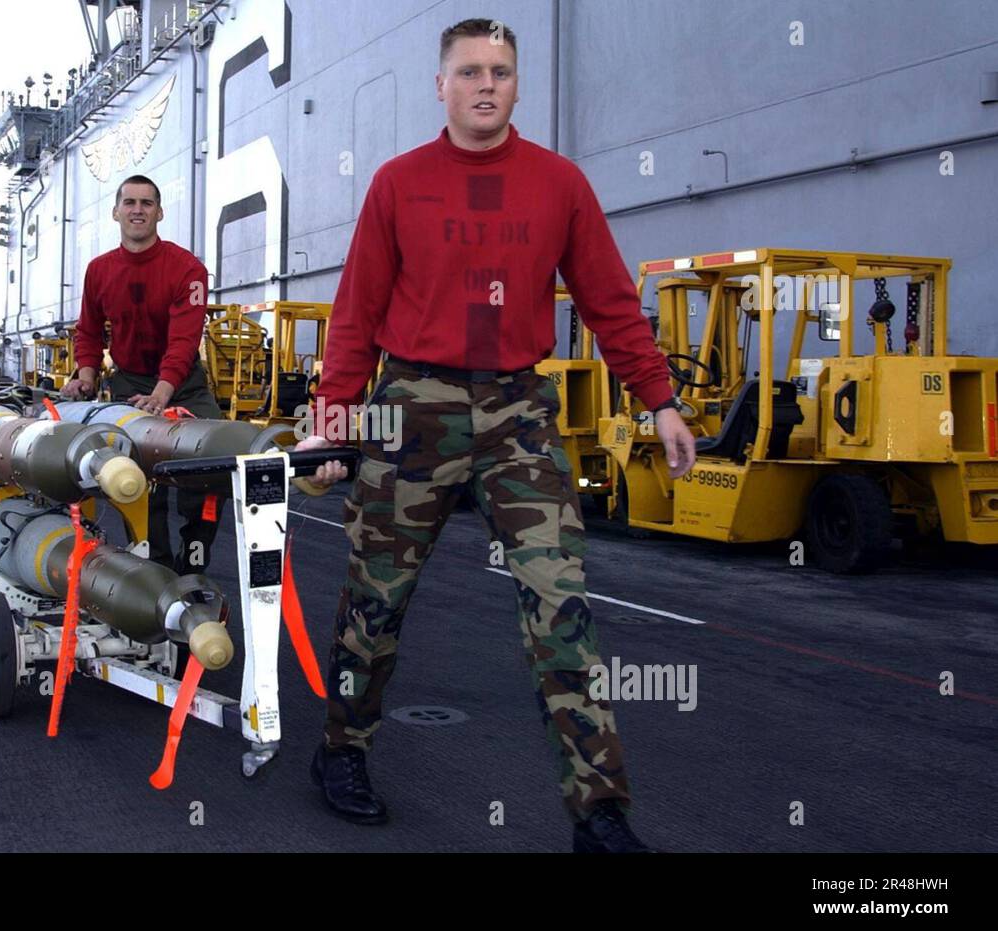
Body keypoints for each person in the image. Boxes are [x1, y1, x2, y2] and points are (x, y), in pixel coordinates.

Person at [297, 19, 698, 852]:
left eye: (502, 72)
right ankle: (341, 752)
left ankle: (600, 812)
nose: (486, 84)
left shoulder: (560, 185)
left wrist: (659, 401)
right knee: (376, 601)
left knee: (561, 605)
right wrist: (331, 422)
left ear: (519, 86)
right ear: (440, 86)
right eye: (470, 71)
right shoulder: (398, 183)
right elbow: (357, 313)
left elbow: (609, 302)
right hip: (409, 406)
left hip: (518, 412)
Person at [60, 174, 224, 576]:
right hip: (129, 381)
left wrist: (163, 393)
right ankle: (156, 568)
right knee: (135, 478)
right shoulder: (99, 271)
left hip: (183, 383)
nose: (137, 210)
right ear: (116, 212)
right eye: (129, 203)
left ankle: (193, 562)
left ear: (160, 212)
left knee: (210, 470)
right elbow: (89, 331)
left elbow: (185, 341)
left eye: (146, 203)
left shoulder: (188, 268)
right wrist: (85, 375)